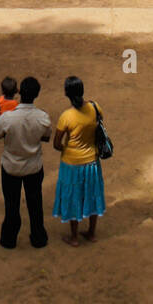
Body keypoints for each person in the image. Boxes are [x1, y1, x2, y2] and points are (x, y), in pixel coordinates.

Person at [0, 75, 50, 249]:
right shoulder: (43, 117)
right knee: (35, 203)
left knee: (11, 205)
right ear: (36, 95)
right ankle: (39, 238)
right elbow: (46, 137)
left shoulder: (7, 118)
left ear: (19, 92)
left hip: (11, 167)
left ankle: (9, 240)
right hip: (33, 167)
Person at [53, 75, 106, 246]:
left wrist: (67, 150)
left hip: (71, 163)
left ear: (66, 93)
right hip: (92, 161)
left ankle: (74, 237)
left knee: (73, 197)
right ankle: (91, 233)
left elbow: (56, 143)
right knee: (92, 194)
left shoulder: (66, 116)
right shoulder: (95, 107)